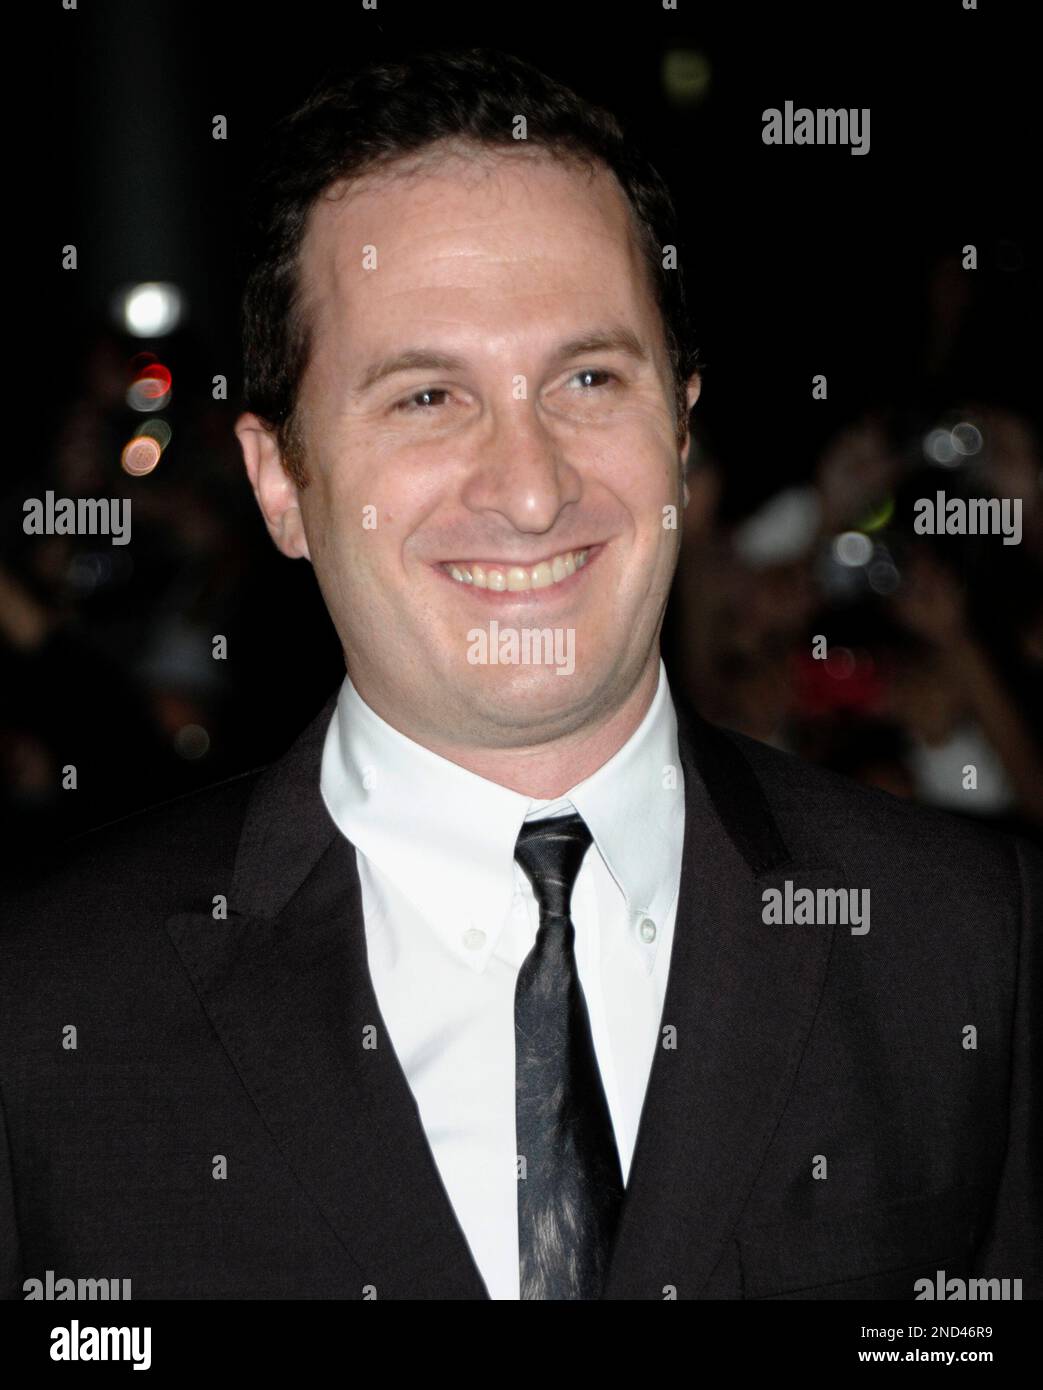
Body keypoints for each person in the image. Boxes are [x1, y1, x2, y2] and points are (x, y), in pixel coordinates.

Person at [1, 48, 1039, 1302]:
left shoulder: (967, 940)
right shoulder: (47, 1004)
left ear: (680, 425)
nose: (533, 487)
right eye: (429, 394)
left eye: (587, 379)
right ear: (281, 481)